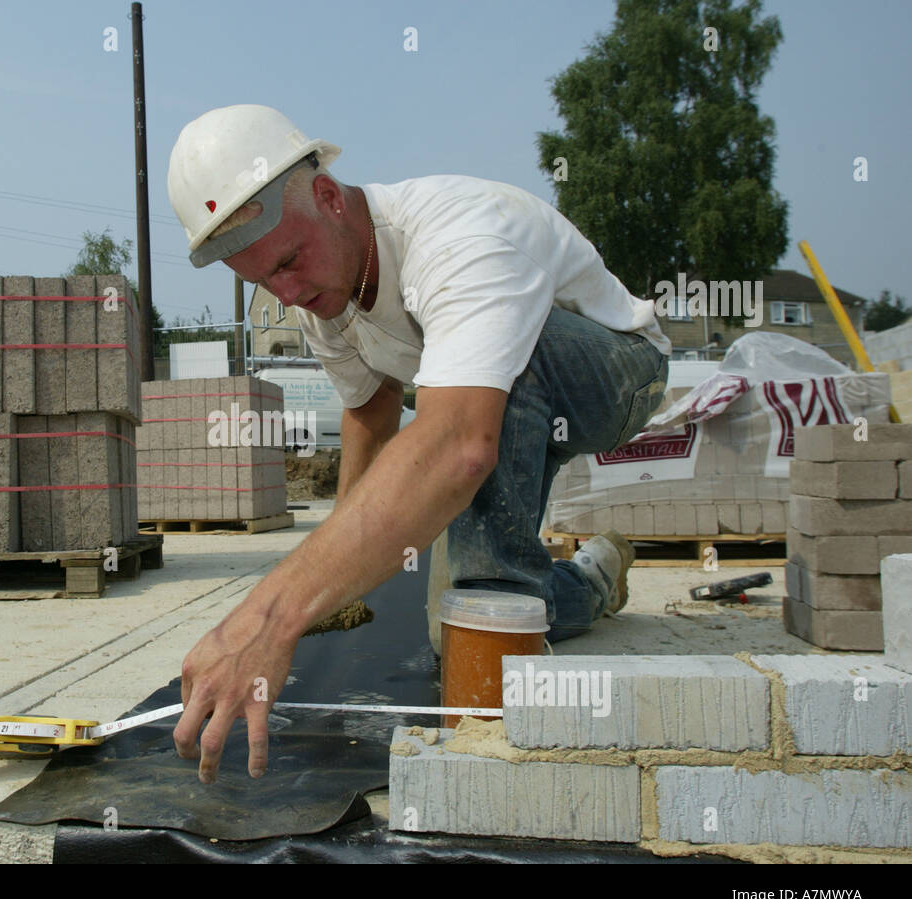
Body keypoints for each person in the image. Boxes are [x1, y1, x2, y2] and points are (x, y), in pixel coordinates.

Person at [165, 104, 671, 784]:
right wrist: (329, 586)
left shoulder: (459, 237)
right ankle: (590, 579)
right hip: (502, 404)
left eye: (288, 260)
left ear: (326, 196)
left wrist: (270, 616)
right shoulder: (322, 292)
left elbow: (461, 443)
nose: (286, 291)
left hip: (618, 374)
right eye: (264, 281)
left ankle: (506, 675)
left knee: (482, 598)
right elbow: (369, 415)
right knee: (451, 622)